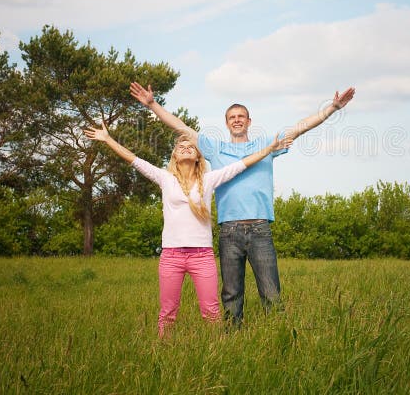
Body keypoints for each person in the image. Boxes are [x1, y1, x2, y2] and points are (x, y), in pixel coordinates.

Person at [130, 82, 355, 325]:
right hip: (229, 231)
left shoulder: (267, 145)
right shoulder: (215, 148)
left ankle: (277, 335)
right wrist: (152, 105)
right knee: (231, 294)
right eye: (232, 117)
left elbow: (301, 126)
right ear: (227, 123)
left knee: (270, 292)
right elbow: (180, 126)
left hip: (260, 228)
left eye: (241, 116)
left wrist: (332, 108)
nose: (237, 120)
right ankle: (231, 337)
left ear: (249, 121)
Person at [84, 122, 291, 336]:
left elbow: (242, 164)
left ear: (198, 157)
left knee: (211, 312)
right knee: (167, 313)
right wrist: (107, 139)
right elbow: (134, 160)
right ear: (174, 156)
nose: (185, 148)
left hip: (202, 256)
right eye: (180, 146)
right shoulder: (165, 179)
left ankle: (216, 348)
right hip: (171, 256)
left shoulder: (208, 180)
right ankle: (164, 348)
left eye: (190, 146)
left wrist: (269, 149)